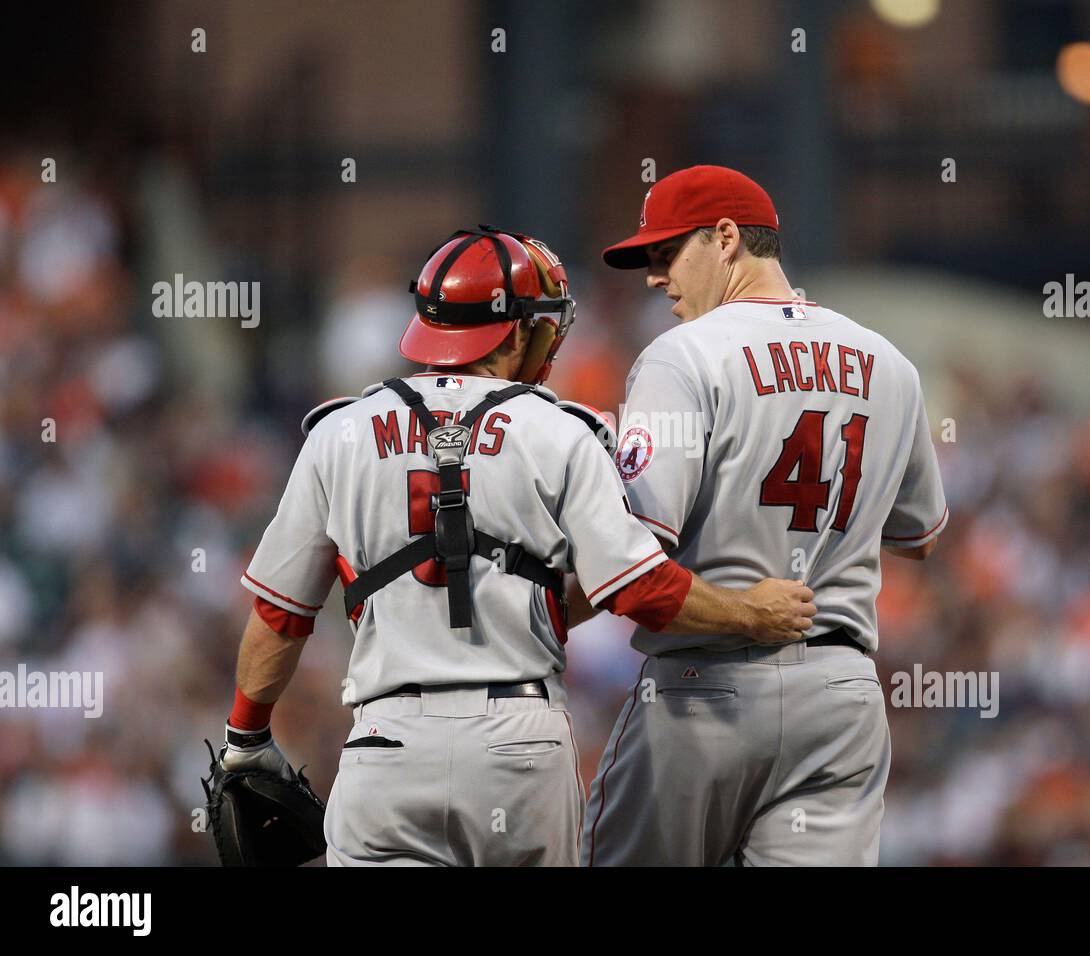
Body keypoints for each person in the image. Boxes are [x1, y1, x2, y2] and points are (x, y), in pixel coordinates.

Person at [217, 225, 816, 866]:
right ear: (515, 330)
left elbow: (280, 616)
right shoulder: (560, 432)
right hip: (520, 747)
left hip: (388, 745)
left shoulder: (339, 434)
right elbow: (642, 590)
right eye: (545, 322)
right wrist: (752, 613)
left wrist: (246, 738)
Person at [581, 167, 948, 866]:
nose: (655, 278)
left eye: (665, 255)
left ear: (725, 239)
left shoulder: (682, 356)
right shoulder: (889, 362)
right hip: (840, 697)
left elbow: (640, 546)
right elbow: (920, 534)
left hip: (704, 690)